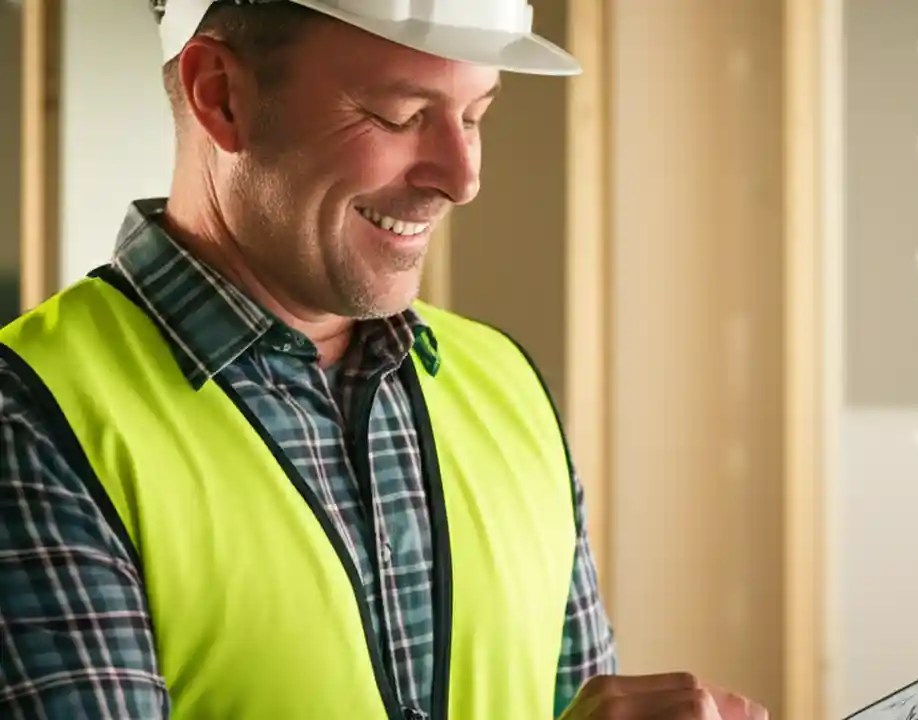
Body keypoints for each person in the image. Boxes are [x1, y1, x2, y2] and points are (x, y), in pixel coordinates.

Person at [0, 1, 767, 718]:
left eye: (475, 116)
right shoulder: (34, 419)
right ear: (220, 96)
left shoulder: (504, 385)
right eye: (399, 115)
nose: (462, 177)